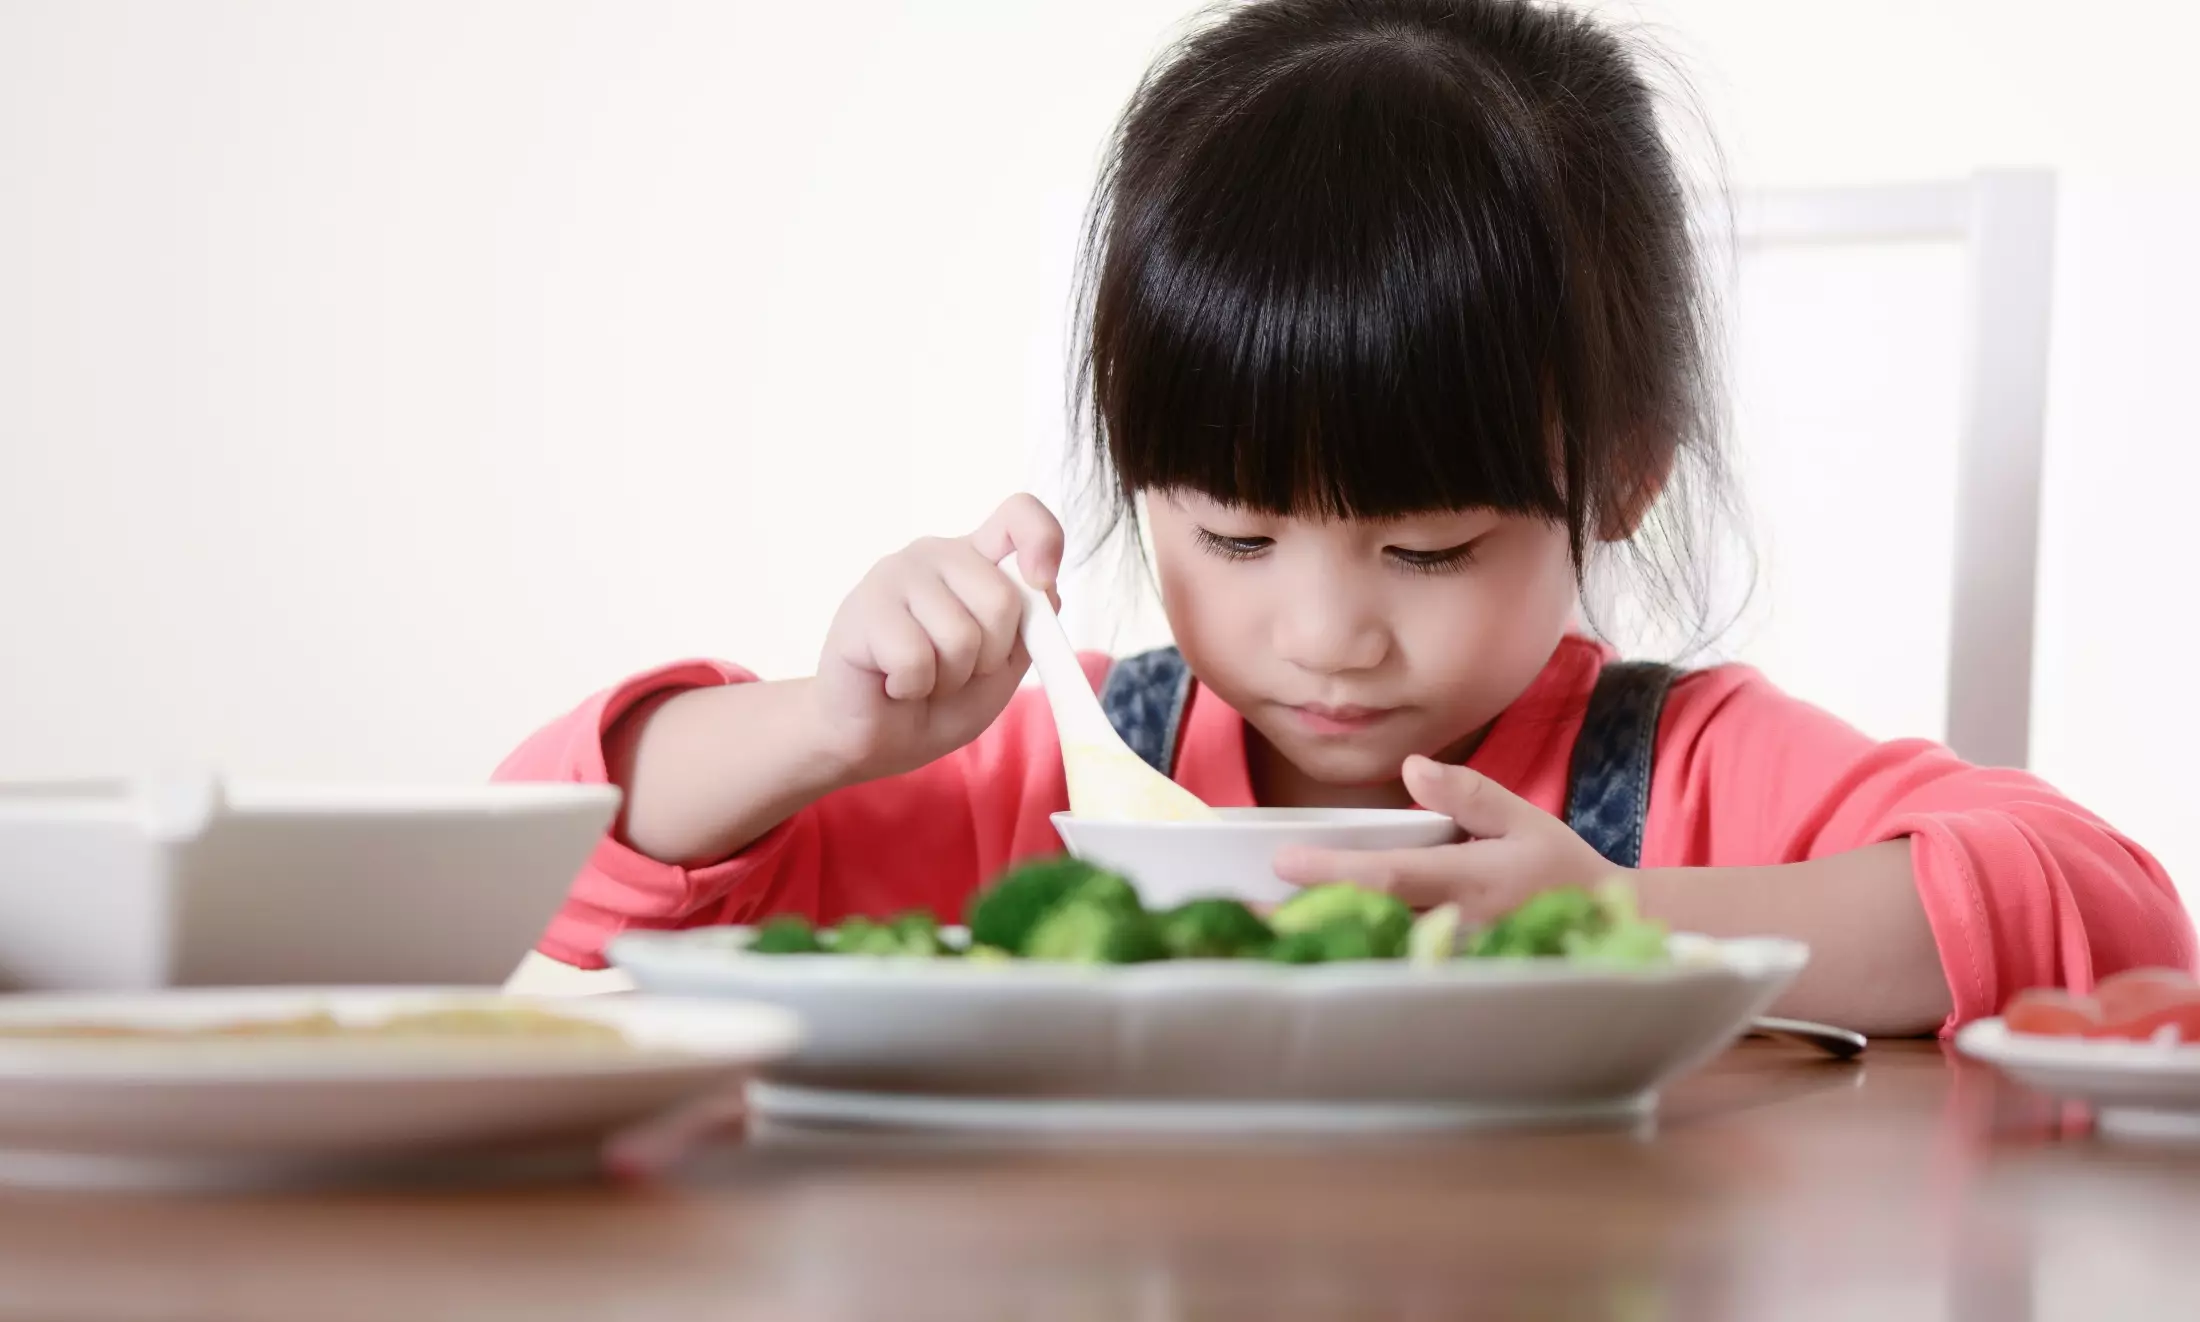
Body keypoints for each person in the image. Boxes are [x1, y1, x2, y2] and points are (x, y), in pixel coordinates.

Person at [495, 0, 2193, 1034]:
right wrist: (821, 726)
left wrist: (1615, 921)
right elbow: (521, 870)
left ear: (1621, 474)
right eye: (1233, 537)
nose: (1322, 634)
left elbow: (2108, 912)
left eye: (1430, 549)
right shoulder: (1061, 773)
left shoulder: (1681, 776)